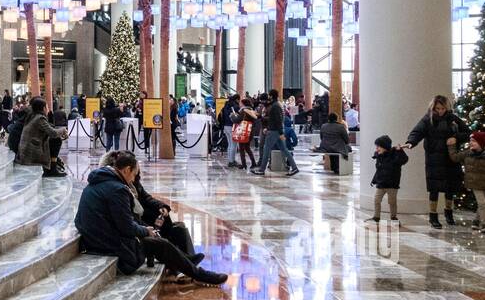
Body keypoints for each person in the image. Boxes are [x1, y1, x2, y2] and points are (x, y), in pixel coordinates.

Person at [74, 151, 227, 285]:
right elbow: (126, 227)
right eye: (134, 174)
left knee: (162, 238)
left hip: (96, 239)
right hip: (107, 244)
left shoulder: (98, 182)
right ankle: (198, 274)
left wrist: (143, 229)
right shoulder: (117, 189)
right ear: (127, 170)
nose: (134, 179)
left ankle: (189, 266)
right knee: (159, 244)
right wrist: (145, 231)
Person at [403, 95, 471, 228]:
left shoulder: (453, 119)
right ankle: (433, 216)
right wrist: (410, 143)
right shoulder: (428, 119)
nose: (440, 111)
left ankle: (448, 213)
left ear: (447, 107)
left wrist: (456, 138)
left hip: (451, 157)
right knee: (434, 188)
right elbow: (417, 132)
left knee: (450, 187)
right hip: (434, 158)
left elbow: (468, 133)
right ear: (433, 107)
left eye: (443, 108)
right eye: (437, 108)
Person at [451, 129, 485, 233]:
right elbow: (455, 157)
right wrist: (451, 146)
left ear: (481, 143)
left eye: (474, 141)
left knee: (483, 205)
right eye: (470, 140)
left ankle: (476, 221)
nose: (470, 143)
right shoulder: (468, 153)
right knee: (482, 204)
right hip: (475, 184)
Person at [17, 97, 68, 177]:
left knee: (54, 140)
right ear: (43, 108)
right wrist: (63, 130)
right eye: (47, 107)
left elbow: (49, 130)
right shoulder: (39, 118)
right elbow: (53, 133)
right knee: (56, 140)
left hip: (25, 152)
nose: (48, 109)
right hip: (31, 153)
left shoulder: (32, 116)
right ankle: (52, 169)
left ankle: (52, 166)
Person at [253, 90, 299, 176]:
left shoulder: (275, 106)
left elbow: (277, 120)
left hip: (274, 131)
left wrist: (280, 132)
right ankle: (295, 168)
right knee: (284, 150)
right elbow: (275, 119)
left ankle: (261, 170)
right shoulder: (278, 105)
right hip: (277, 130)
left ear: (271, 96)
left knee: (266, 150)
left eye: (269, 95)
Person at [367, 135, 409, 223]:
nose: (377, 148)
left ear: (385, 146)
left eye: (378, 146)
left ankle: (393, 217)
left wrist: (400, 151)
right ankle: (376, 217)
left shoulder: (394, 155)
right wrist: (374, 180)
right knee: (376, 200)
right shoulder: (379, 156)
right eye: (376, 146)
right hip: (381, 184)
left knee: (392, 202)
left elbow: (404, 160)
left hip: (392, 185)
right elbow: (379, 170)